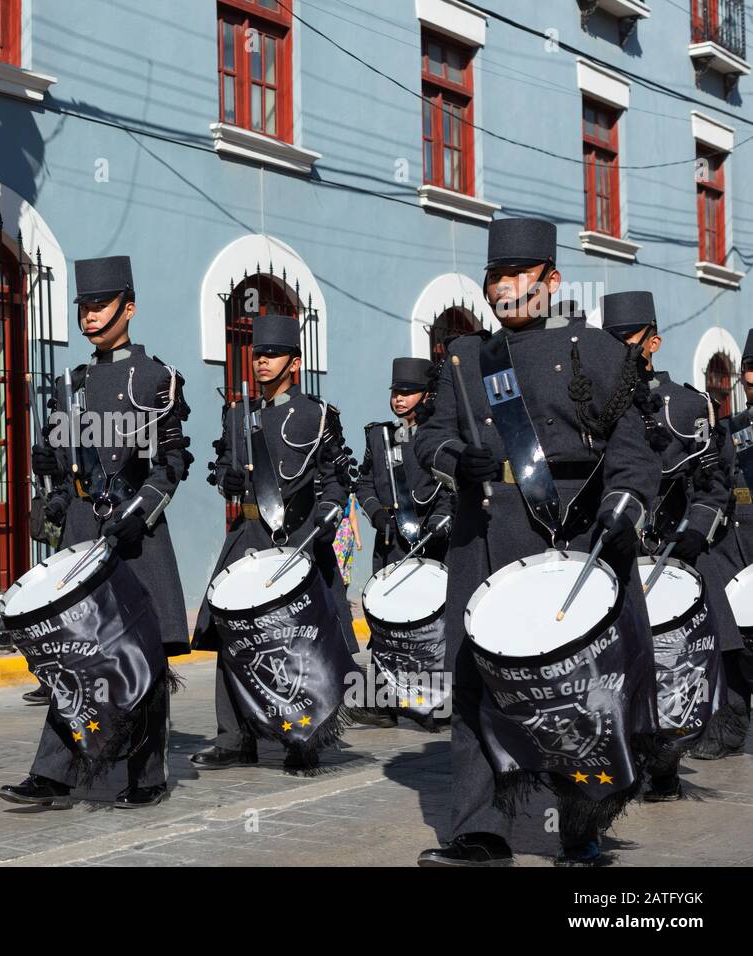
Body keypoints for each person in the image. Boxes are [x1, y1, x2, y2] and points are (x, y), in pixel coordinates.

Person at [414, 218, 658, 867]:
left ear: (551, 281)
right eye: (495, 276)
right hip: (487, 533)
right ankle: (479, 828)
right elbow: (427, 439)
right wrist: (450, 459)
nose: (503, 287)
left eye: (518, 275)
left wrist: (618, 513)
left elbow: (634, 459)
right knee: (476, 678)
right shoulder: (467, 358)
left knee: (576, 689)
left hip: (574, 535)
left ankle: (578, 824)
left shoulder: (600, 351)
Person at [0, 255, 193, 810]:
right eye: (83, 307)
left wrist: (143, 507)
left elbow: (172, 460)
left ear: (127, 308)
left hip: (138, 531)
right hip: (84, 528)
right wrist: (55, 502)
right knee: (72, 652)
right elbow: (60, 464)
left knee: (142, 655)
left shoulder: (157, 378)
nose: (89, 316)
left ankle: (147, 775)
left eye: (100, 305)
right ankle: (52, 774)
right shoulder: (71, 384)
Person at [189, 313, 351, 772]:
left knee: (297, 638)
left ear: (294, 362)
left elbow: (337, 477)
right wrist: (229, 478)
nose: (261, 362)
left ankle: (304, 736)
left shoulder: (317, 414)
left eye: (272, 355)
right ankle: (235, 738)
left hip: (300, 533)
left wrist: (328, 512)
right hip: (248, 533)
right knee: (230, 631)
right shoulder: (238, 413)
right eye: (257, 354)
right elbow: (220, 468)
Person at [600, 291, 729, 800]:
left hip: (673, 557)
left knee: (670, 670)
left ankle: (664, 764)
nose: (616, 351)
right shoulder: (589, 402)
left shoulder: (687, 404)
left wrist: (696, 533)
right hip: (611, 555)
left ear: (652, 342)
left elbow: (713, 483)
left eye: (625, 341)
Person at [352, 356, 454, 728]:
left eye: (408, 392)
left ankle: (438, 703)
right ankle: (385, 703)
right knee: (385, 622)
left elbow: (449, 487)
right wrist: (377, 514)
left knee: (431, 627)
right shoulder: (377, 436)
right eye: (396, 392)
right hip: (391, 543)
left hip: (432, 542)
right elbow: (363, 482)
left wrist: (441, 522)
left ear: (427, 396)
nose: (399, 399)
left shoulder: (440, 438)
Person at [690, 331, 753, 761]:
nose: (750, 378)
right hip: (735, 537)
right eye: (748, 372)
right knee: (732, 636)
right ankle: (730, 724)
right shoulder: (731, 429)